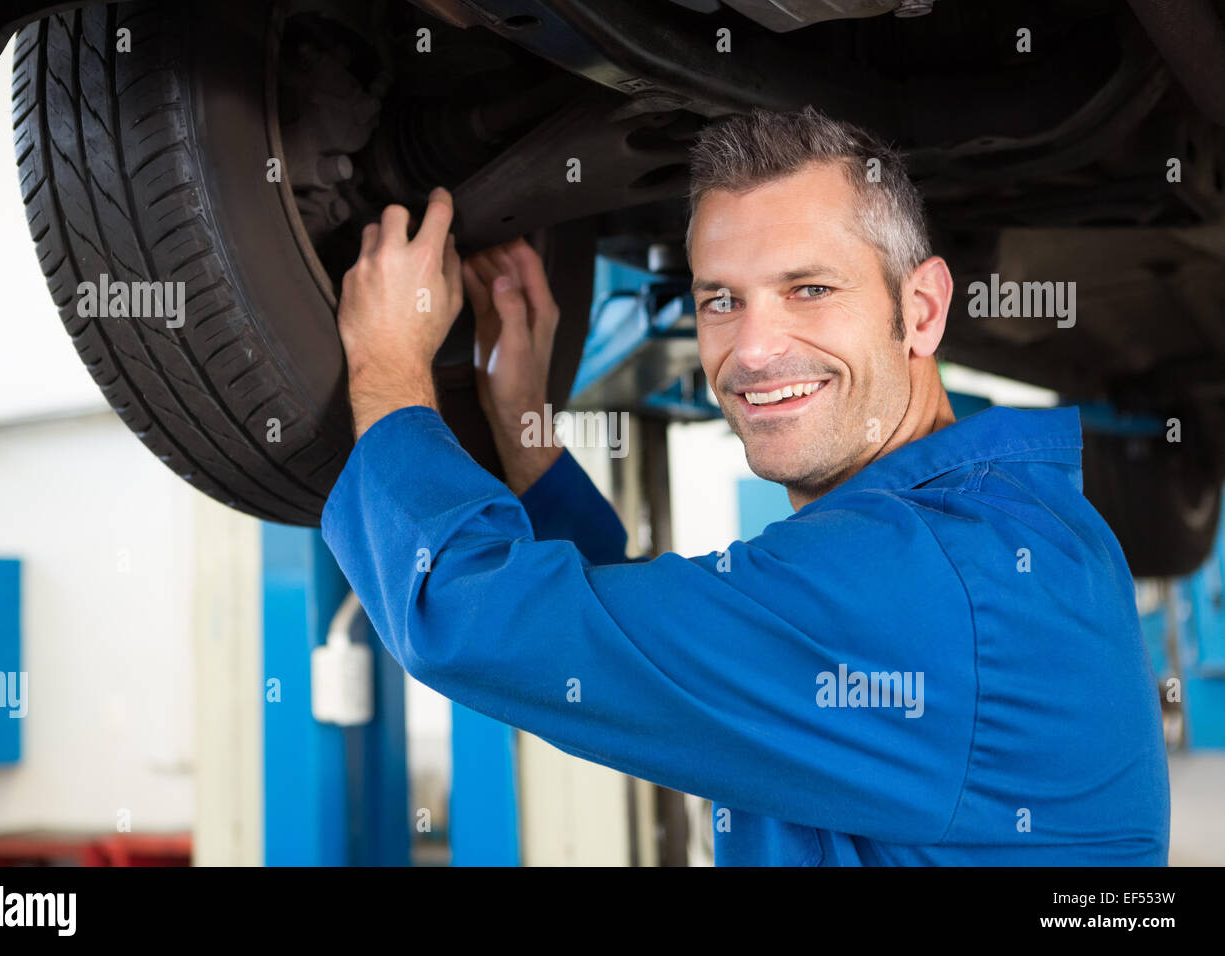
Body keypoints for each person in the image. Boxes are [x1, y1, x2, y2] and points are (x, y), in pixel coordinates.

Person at [322, 106, 1170, 865]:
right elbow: (673, 649)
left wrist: (389, 363)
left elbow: (468, 622)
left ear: (921, 309)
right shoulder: (1009, 524)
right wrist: (526, 434)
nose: (755, 350)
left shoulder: (915, 584)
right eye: (722, 300)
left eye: (809, 289)